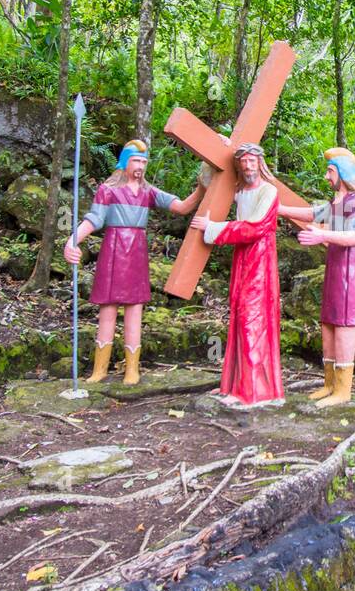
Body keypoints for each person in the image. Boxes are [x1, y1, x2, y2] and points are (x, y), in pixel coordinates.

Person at [64, 139, 202, 384]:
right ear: (125, 162)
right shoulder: (108, 190)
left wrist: (202, 188)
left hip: (136, 250)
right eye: (136, 160)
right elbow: (94, 219)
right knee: (108, 308)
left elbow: (181, 207)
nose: (140, 166)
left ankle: (132, 369)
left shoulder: (149, 192)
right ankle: (100, 369)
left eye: (144, 161)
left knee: (134, 309)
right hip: (113, 249)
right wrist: (73, 240)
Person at [191, 142, 284, 407]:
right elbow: (211, 182)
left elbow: (254, 228)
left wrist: (213, 228)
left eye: (252, 161)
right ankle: (237, 386)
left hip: (260, 261)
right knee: (238, 317)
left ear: (261, 163)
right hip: (243, 260)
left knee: (251, 319)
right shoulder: (239, 192)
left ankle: (255, 391)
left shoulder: (269, 191)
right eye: (242, 161)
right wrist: (219, 148)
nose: (247, 166)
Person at [279, 147, 355, 407]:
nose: (327, 177)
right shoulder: (335, 203)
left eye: (331, 171)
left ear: (344, 173)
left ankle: (343, 389)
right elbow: (312, 213)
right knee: (328, 324)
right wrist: (281, 209)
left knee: (343, 325)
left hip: (349, 275)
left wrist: (322, 235)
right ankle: (329, 383)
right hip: (333, 271)